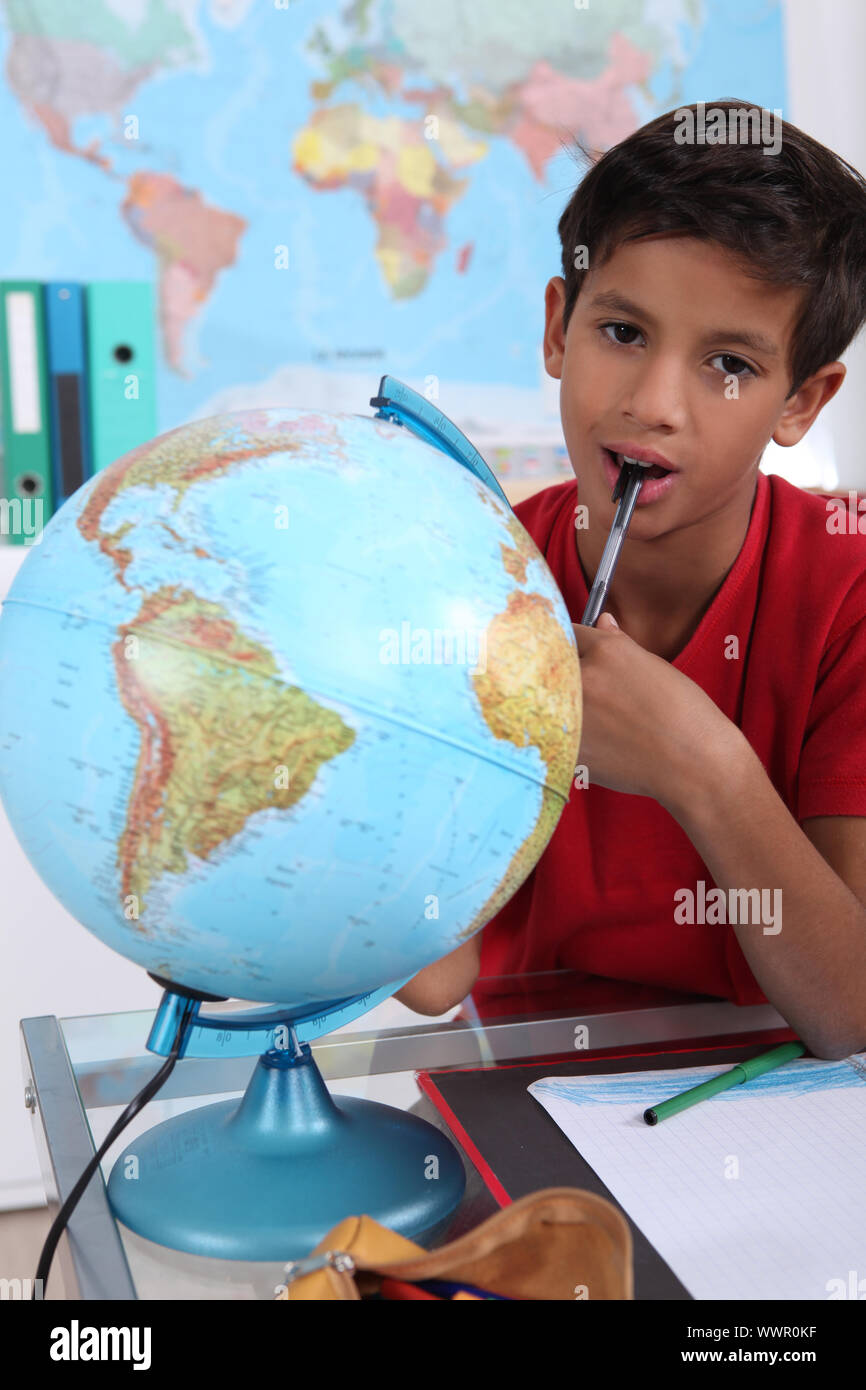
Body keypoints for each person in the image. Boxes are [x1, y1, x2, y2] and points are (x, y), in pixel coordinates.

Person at [395, 100, 866, 1061]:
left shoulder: (848, 592)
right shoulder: (474, 581)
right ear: (558, 329)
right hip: (526, 1096)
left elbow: (853, 1013)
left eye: (729, 364)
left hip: (789, 1108)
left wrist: (705, 768)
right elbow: (436, 974)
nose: (652, 405)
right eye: (622, 333)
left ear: (803, 402)